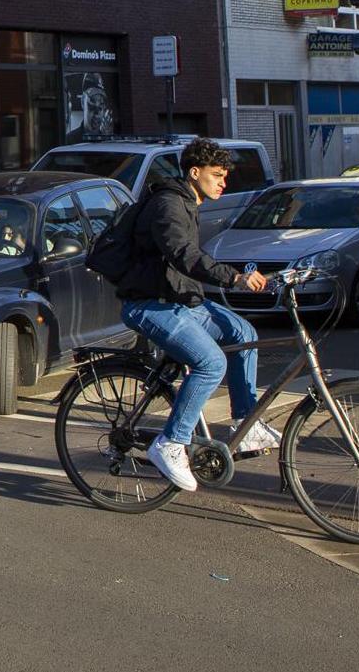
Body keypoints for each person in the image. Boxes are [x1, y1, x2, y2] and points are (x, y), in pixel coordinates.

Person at [112, 137, 271, 492]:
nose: (223, 182)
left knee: (244, 333)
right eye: (217, 175)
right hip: (149, 305)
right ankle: (171, 442)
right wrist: (233, 277)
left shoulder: (188, 202)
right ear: (195, 172)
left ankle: (246, 423)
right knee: (211, 363)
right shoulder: (168, 204)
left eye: (225, 176)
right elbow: (183, 254)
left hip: (177, 301)